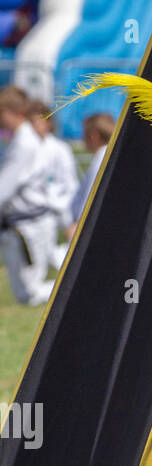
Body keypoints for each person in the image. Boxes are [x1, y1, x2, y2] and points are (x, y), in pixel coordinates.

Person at [0, 85, 55, 306]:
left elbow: (4, 189)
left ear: (16, 113)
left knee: (30, 294)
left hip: (30, 225)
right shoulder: (20, 140)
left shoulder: (24, 144)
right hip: (22, 224)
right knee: (24, 295)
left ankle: (79, 286)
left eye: (2, 114)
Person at [28, 100, 78, 269]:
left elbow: (70, 185)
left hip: (57, 209)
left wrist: (69, 217)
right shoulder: (25, 148)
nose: (34, 127)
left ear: (48, 123)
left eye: (37, 121)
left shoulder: (60, 149)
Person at [69, 111, 115, 227]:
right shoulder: (107, 154)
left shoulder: (102, 158)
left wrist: (79, 223)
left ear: (94, 136)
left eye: (84, 134)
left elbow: (91, 194)